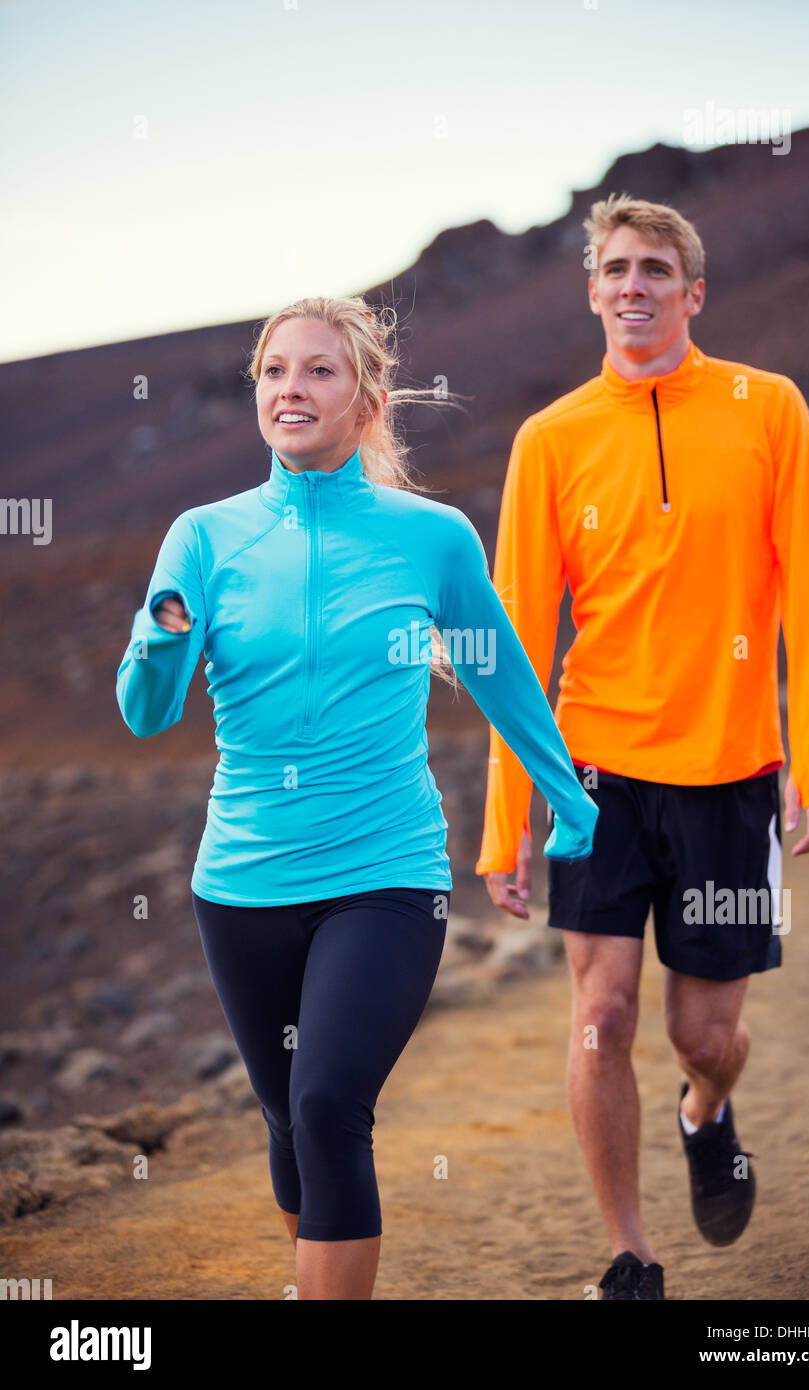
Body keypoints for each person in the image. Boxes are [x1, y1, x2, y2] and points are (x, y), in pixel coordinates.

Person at [115, 295, 599, 1301]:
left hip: (384, 871)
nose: (291, 388)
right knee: (292, 1124)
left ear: (366, 398)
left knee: (331, 1100)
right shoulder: (203, 538)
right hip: (242, 885)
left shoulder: (431, 538)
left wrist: (568, 796)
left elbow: (500, 672)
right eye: (274, 371)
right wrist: (161, 635)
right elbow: (147, 712)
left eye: (319, 371)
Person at [477, 194, 809, 1300]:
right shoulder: (549, 439)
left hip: (731, 772)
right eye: (613, 268)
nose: (630, 285)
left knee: (702, 1030)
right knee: (599, 1015)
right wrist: (507, 823)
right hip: (594, 775)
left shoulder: (767, 408)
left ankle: (707, 1109)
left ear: (692, 293)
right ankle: (628, 1255)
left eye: (653, 268)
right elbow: (508, 638)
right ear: (591, 290)